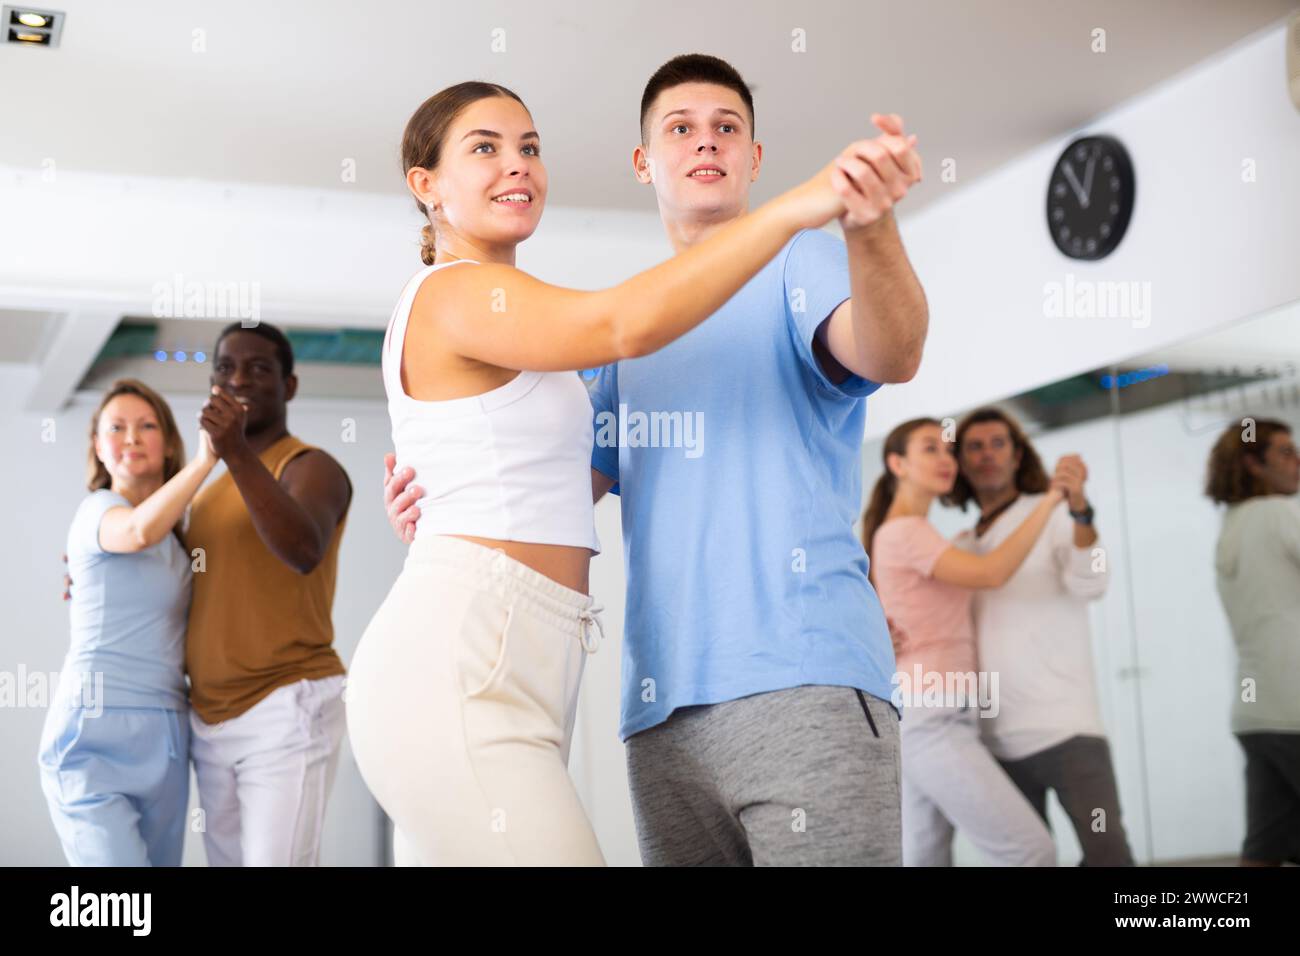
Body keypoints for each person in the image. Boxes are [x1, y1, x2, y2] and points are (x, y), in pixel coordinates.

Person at [384, 54, 928, 866]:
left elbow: (894, 353)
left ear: (754, 157)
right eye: (681, 129)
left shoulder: (805, 262)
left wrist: (867, 224)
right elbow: (562, 482)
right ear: (644, 162)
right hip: (660, 712)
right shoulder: (621, 324)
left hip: (800, 681)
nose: (705, 143)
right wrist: (447, 509)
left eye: (727, 128)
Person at [184, 321, 354, 867]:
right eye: (227, 368)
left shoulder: (311, 467)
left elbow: (303, 548)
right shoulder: (206, 493)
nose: (241, 380)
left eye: (260, 369)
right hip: (209, 717)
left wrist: (233, 451)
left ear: (290, 387)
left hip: (287, 704)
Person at [863, 417, 1064, 866]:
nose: (946, 459)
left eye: (948, 450)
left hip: (921, 711)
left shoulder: (907, 532)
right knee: (1031, 850)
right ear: (897, 463)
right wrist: (1050, 501)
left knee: (925, 856)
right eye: (929, 448)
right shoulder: (905, 531)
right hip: (932, 716)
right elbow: (992, 572)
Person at [40, 379, 217, 865]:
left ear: (167, 444)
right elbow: (136, 531)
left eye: (146, 426)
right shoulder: (97, 510)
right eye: (115, 428)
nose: (132, 437)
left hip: (166, 733)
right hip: (95, 729)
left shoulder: (181, 542)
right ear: (99, 446)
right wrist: (206, 461)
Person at [949, 407, 1133, 866]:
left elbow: (1092, 583)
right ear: (962, 463)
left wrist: (1081, 511)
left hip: (1067, 731)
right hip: (993, 741)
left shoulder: (1051, 515)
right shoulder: (959, 547)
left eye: (998, 444)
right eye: (974, 446)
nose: (987, 454)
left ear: (1017, 456)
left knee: (1109, 856)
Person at [1206, 416, 1300, 866]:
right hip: (1295, 709)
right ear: (1253, 463)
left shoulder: (1232, 524)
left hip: (1257, 715)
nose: (1297, 460)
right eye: (1285, 452)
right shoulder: (1280, 514)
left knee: (1264, 848)